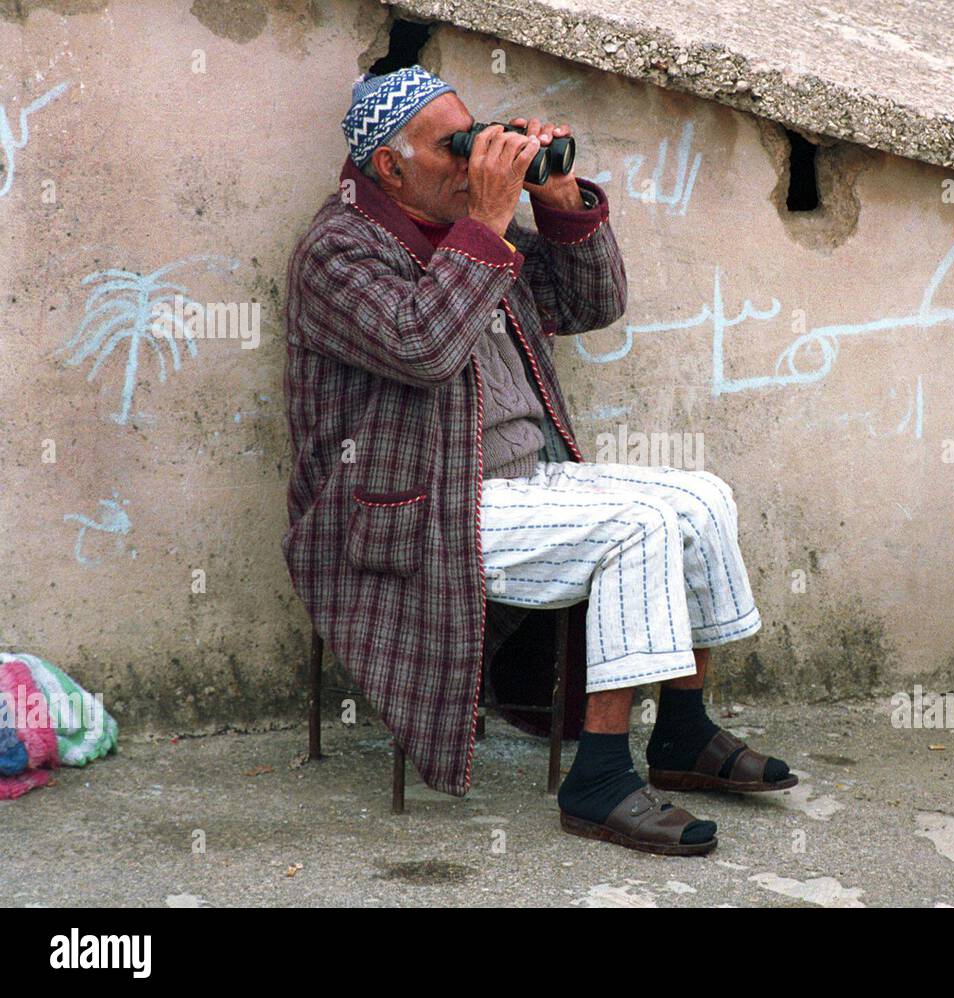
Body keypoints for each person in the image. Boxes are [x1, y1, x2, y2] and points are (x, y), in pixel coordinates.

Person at [283, 66, 793, 858]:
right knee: (639, 525)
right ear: (389, 166)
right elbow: (423, 347)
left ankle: (683, 733)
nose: (472, 160)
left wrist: (556, 203)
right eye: (454, 148)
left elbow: (590, 305)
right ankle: (598, 780)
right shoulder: (337, 253)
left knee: (700, 498)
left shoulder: (467, 230)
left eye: (475, 137)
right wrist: (486, 221)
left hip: (527, 484)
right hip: (414, 507)